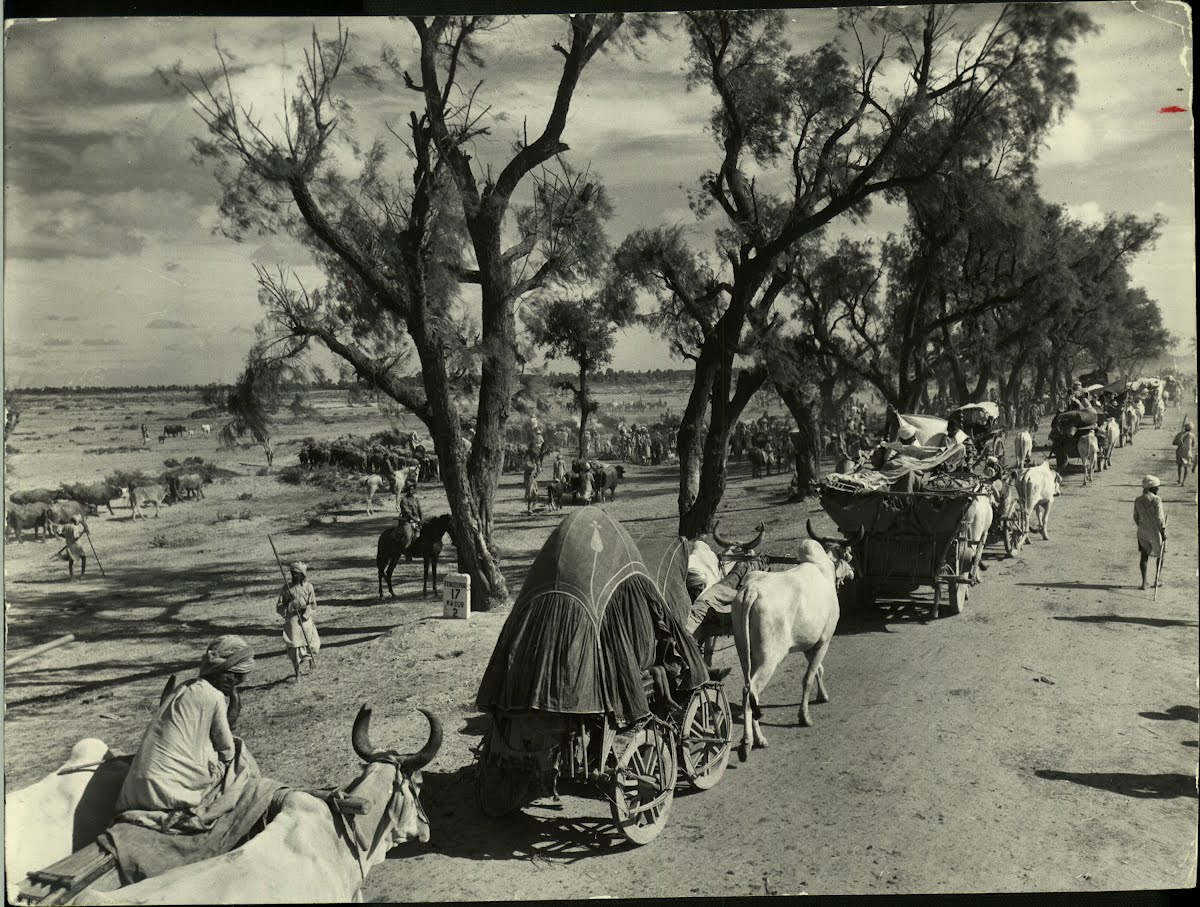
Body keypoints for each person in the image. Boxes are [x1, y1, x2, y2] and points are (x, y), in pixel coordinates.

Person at [115, 635, 255, 814]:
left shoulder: (183, 687)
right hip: (167, 792)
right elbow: (227, 751)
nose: (235, 685)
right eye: (238, 679)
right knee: (239, 754)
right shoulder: (214, 696)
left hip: (134, 791)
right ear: (230, 675)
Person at [277, 562, 320, 680]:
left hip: (305, 618)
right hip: (292, 619)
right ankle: (297, 671)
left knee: (310, 642)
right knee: (295, 645)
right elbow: (279, 606)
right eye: (292, 574)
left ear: (302, 574)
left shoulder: (308, 587)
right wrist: (288, 604)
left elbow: (312, 603)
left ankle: (311, 661)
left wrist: (306, 614)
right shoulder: (286, 588)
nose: (294, 576)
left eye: (297, 574)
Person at [1133, 476, 1168, 591]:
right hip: (1155, 531)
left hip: (1142, 531)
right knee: (1160, 554)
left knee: (1144, 556)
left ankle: (1144, 583)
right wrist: (1163, 533)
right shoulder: (1157, 500)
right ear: (1152, 488)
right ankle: (1157, 579)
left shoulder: (1138, 500)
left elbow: (1135, 517)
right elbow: (1160, 518)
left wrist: (1142, 526)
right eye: (1156, 488)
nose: (1158, 490)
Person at [62, 514, 88, 580]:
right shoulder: (74, 527)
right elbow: (76, 537)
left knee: (71, 561)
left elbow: (60, 533)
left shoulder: (65, 526)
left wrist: (67, 538)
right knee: (83, 557)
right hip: (76, 545)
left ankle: (72, 576)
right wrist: (83, 532)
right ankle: (82, 574)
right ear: (75, 521)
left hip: (69, 545)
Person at [1174, 419, 1197, 484]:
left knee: (1179, 466)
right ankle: (1183, 481)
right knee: (1186, 467)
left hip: (1180, 451)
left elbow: (1174, 442)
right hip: (1188, 452)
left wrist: (1180, 441)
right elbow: (1193, 445)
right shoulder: (1192, 435)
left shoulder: (1180, 434)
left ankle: (1179, 479)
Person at [523, 447, 540, 515]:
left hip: (527, 482)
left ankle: (530, 509)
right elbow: (536, 473)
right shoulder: (535, 462)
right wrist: (537, 473)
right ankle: (530, 510)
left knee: (529, 496)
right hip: (531, 482)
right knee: (534, 497)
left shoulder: (526, 461)